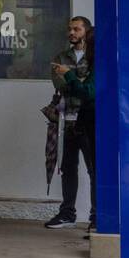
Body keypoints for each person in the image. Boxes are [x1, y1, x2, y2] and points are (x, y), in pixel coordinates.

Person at [46, 17, 96, 231]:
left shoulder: (94, 57)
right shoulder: (60, 56)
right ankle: (67, 213)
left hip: (88, 120)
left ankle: (96, 216)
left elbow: (89, 91)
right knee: (67, 168)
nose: (72, 32)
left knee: (94, 170)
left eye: (77, 29)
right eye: (69, 29)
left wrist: (70, 76)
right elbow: (62, 86)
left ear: (86, 31)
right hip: (65, 121)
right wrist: (78, 79)